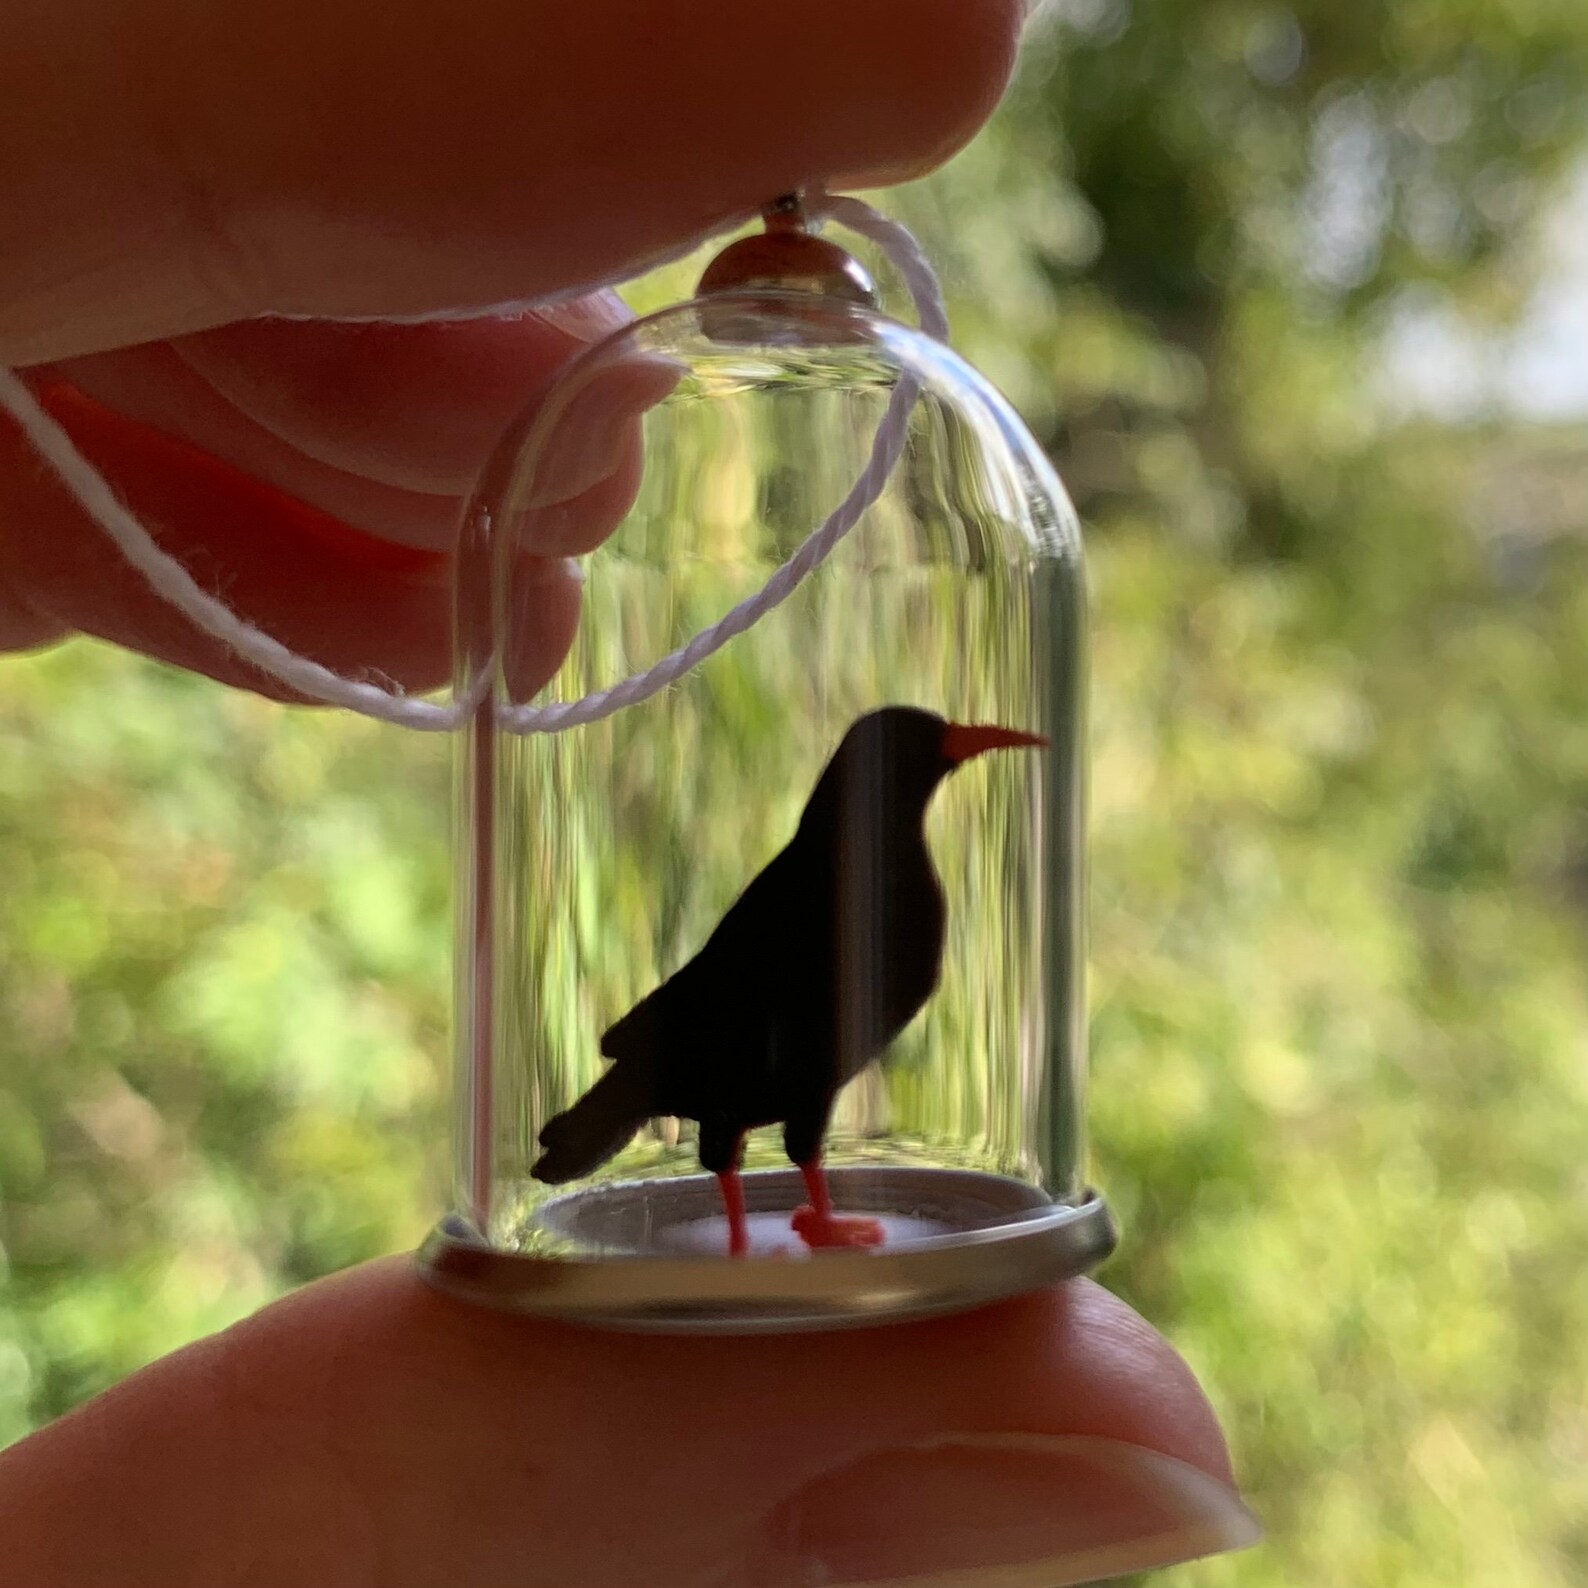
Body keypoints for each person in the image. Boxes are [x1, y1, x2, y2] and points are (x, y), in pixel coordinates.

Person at [0, 1, 1260, 1581]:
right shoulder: (841, 896)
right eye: (930, 744)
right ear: (889, 773)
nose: (957, 752)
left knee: (780, 1095)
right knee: (744, 1082)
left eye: (943, 743)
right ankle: (754, 1211)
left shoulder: (874, 891)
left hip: (725, 1082)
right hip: (677, 1068)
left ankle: (786, 1205)